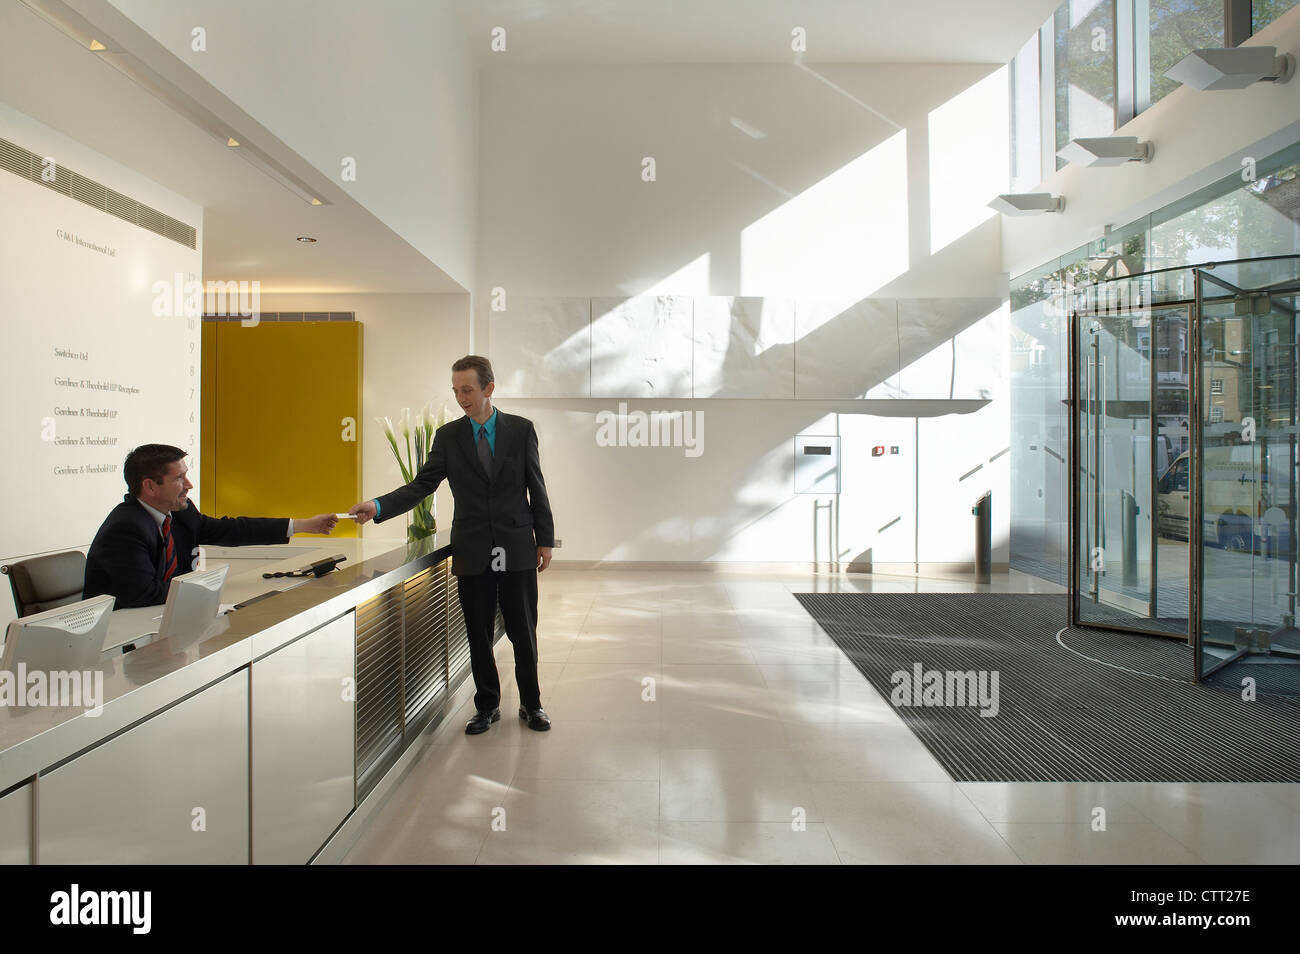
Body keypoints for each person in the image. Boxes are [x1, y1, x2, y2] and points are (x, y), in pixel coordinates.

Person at [349, 355, 556, 734]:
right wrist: (377, 506)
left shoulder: (521, 430)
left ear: (489, 389)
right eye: (456, 390)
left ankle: (532, 704)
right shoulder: (448, 437)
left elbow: (536, 486)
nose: (461, 397)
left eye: (468, 389)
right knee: (477, 631)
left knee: (523, 630)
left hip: (516, 544)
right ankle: (487, 706)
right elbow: (421, 485)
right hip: (473, 547)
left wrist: (544, 539)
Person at [84, 444, 337, 609]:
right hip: (120, 637)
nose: (189, 485)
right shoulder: (126, 527)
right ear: (149, 486)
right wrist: (204, 590)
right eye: (179, 478)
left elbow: (231, 530)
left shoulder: (180, 512)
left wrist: (303, 525)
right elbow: (144, 593)